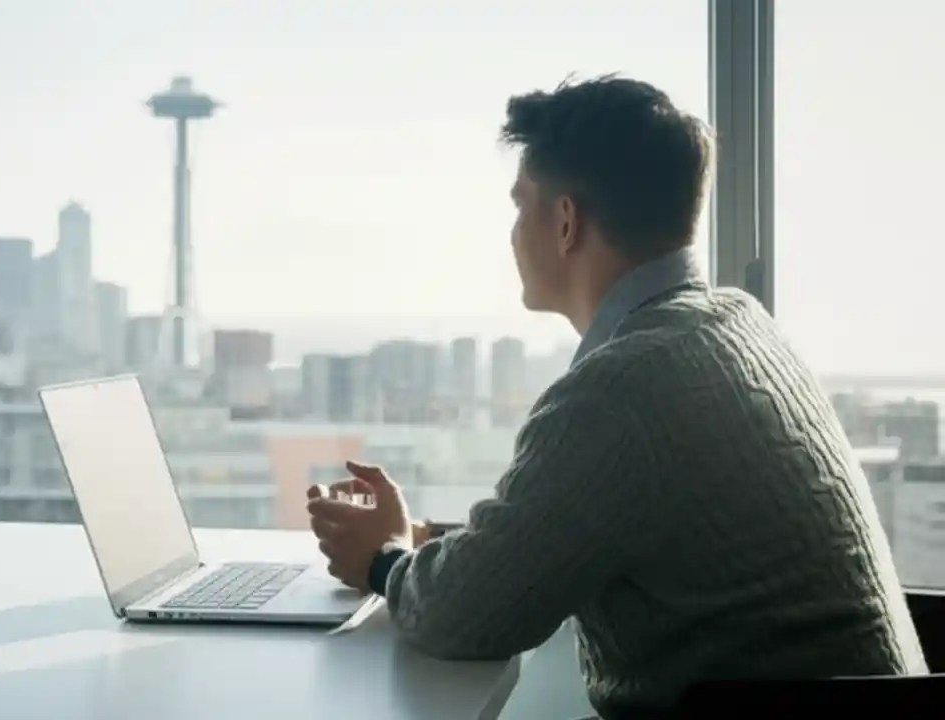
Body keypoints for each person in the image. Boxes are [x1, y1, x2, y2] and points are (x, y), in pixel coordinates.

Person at [304, 76, 927, 718]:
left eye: (521, 205)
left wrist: (381, 560)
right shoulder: (738, 324)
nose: (513, 233)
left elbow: (462, 619)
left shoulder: (620, 389)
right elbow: (597, 522)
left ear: (566, 221)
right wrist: (441, 544)